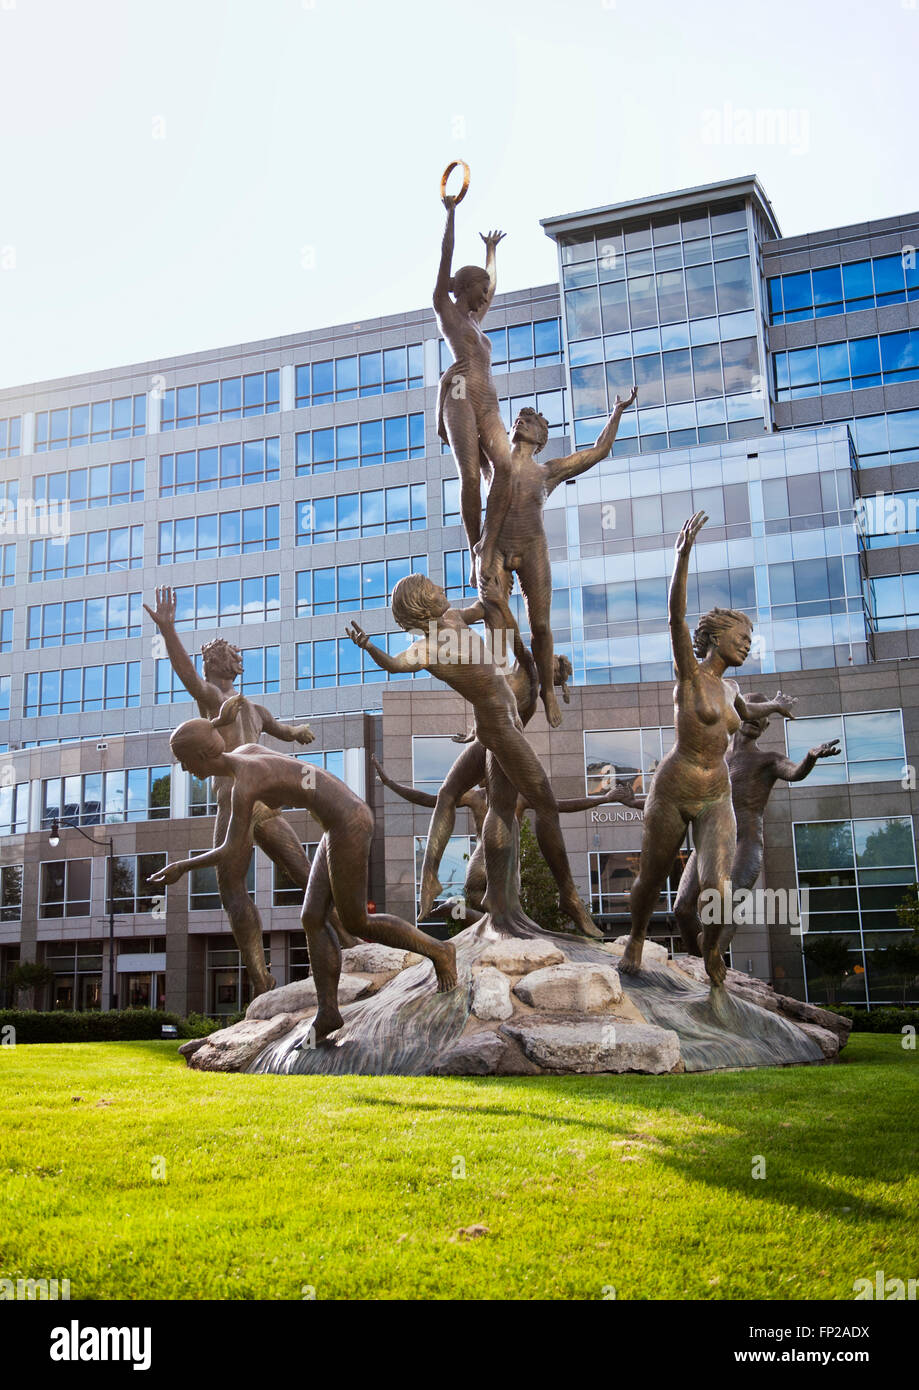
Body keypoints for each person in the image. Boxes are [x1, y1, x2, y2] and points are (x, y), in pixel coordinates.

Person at [147, 695, 457, 1041]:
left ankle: (440, 951)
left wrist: (182, 867)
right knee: (311, 917)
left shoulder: (244, 781)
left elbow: (230, 850)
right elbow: (290, 779)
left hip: (348, 823)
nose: (187, 770)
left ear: (202, 756)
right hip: (336, 823)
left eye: (186, 762)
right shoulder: (247, 751)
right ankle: (328, 1014)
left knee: (356, 920)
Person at [346, 575, 600, 937]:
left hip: (496, 722)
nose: (441, 590)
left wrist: (498, 586)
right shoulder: (427, 648)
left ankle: (440, 882)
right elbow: (394, 665)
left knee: (465, 797)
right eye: (434, 589)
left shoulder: (452, 617)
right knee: (544, 802)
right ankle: (568, 897)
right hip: (497, 726)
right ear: (421, 604)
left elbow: (484, 608)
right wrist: (369, 646)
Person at [618, 513, 797, 986]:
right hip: (675, 787)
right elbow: (674, 616)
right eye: (742, 639)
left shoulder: (733, 687)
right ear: (718, 638)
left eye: (751, 641)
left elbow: (748, 715)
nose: (747, 646)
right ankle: (636, 936)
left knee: (717, 887)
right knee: (651, 878)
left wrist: (776, 706)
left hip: (717, 793)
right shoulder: (689, 675)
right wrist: (682, 557)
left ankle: (713, 949)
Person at [144, 586, 328, 996]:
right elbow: (288, 732)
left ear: (209, 665)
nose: (237, 660)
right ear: (227, 664)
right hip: (266, 801)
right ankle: (346, 942)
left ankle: (262, 978)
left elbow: (185, 676)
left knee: (232, 890)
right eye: (234, 656)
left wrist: (169, 630)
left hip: (235, 802)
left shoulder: (215, 699)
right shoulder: (252, 707)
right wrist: (298, 733)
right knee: (303, 873)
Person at [474, 391, 637, 728]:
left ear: (540, 438)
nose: (521, 422)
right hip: (497, 551)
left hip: (532, 547)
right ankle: (496, 694)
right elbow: (460, 433)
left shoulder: (547, 471)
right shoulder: (494, 464)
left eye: (530, 421)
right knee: (496, 625)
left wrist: (617, 411)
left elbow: (599, 451)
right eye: (519, 418)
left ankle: (547, 690)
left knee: (542, 626)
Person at [673, 700, 840, 954]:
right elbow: (680, 797)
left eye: (763, 716)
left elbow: (794, 772)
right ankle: (700, 968)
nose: (756, 719)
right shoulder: (714, 760)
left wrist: (810, 757)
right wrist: (636, 802)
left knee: (723, 908)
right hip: (709, 842)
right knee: (682, 907)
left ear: (765, 725)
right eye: (752, 712)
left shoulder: (767, 760)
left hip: (745, 843)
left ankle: (711, 967)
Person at [433, 195, 509, 589]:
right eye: (481, 288)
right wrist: (451, 213)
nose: (486, 295)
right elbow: (445, 258)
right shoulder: (447, 312)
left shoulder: (478, 323)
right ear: (466, 288)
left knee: (506, 466)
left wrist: (491, 251)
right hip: (460, 395)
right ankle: (475, 550)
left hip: (488, 399)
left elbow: (492, 284)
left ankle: (492, 540)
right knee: (471, 479)